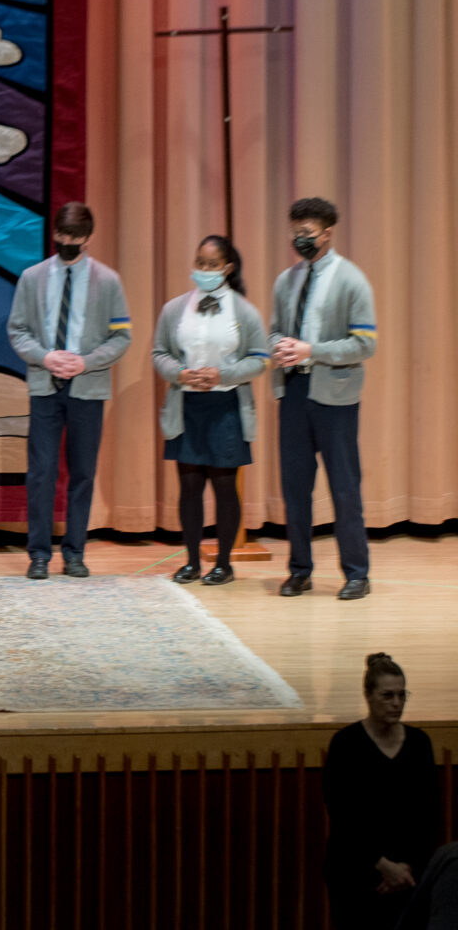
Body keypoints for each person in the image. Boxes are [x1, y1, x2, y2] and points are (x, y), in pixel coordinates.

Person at [6, 201, 132, 579]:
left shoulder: (108, 280)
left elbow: (122, 336)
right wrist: (45, 357)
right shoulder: (33, 277)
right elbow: (17, 330)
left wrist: (86, 362)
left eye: (75, 237)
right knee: (41, 471)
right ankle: (39, 555)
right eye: (62, 235)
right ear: (54, 234)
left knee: (82, 472)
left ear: (88, 238)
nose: (67, 242)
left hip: (88, 388)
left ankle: (75, 552)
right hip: (45, 386)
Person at [270, 197, 378, 601]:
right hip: (294, 392)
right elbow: (274, 331)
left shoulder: (352, 280)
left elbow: (365, 344)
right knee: (295, 488)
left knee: (344, 487)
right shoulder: (286, 280)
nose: (300, 240)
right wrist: (279, 348)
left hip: (335, 396)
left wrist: (311, 350)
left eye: (307, 234)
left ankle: (356, 573)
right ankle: (300, 570)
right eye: (295, 233)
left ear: (327, 233)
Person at [151, 236, 268, 586]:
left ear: (227, 269)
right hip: (187, 404)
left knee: (224, 486)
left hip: (226, 406)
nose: (203, 270)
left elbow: (260, 360)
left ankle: (224, 563)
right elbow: (159, 354)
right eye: (199, 263)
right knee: (189, 486)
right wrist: (180, 373)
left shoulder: (244, 312)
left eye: (212, 265)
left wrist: (224, 374)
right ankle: (191, 561)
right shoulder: (175, 309)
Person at [324, 653, 439, 930]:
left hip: (409, 873)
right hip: (356, 870)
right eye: (388, 696)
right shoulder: (346, 744)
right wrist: (382, 865)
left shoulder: (419, 743)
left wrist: (405, 868)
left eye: (402, 695)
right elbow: (343, 816)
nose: (397, 703)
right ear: (368, 695)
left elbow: (428, 812)